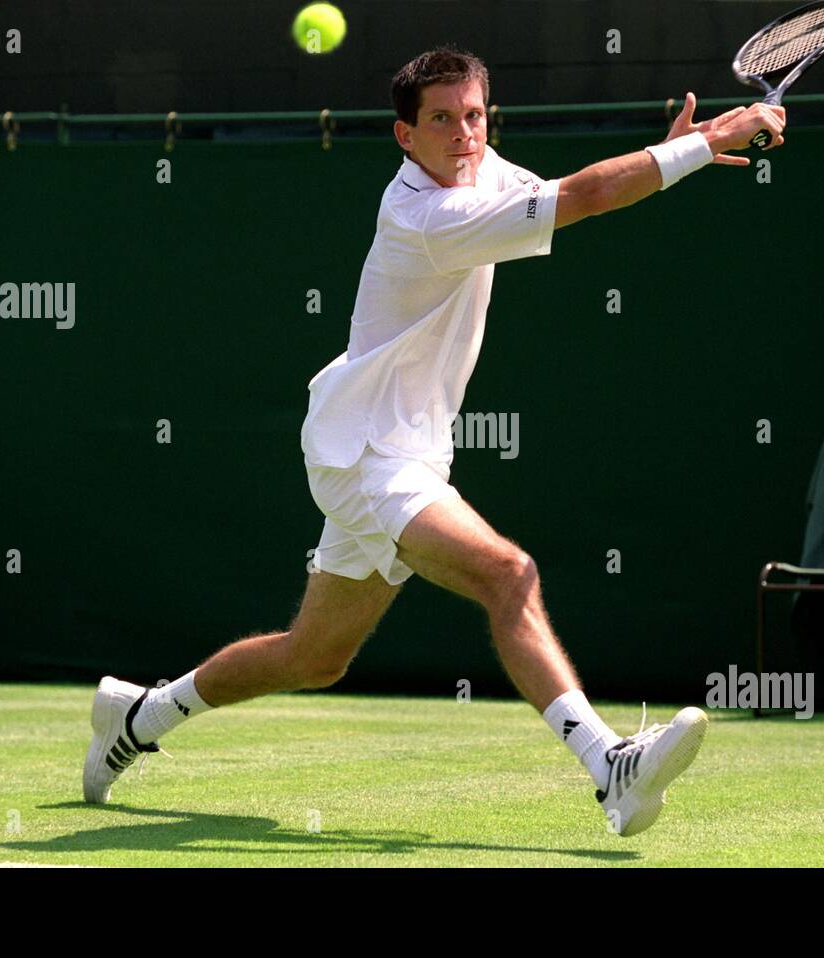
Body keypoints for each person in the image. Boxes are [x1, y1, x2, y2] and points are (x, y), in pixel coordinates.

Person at [83, 45, 785, 837]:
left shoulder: (479, 172)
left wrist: (683, 148)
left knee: (313, 657)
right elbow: (585, 197)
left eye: (475, 116)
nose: (463, 135)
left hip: (396, 453)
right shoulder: (427, 215)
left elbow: (581, 188)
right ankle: (611, 766)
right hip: (368, 454)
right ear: (404, 136)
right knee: (508, 574)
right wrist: (699, 146)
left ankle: (137, 716)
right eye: (442, 120)